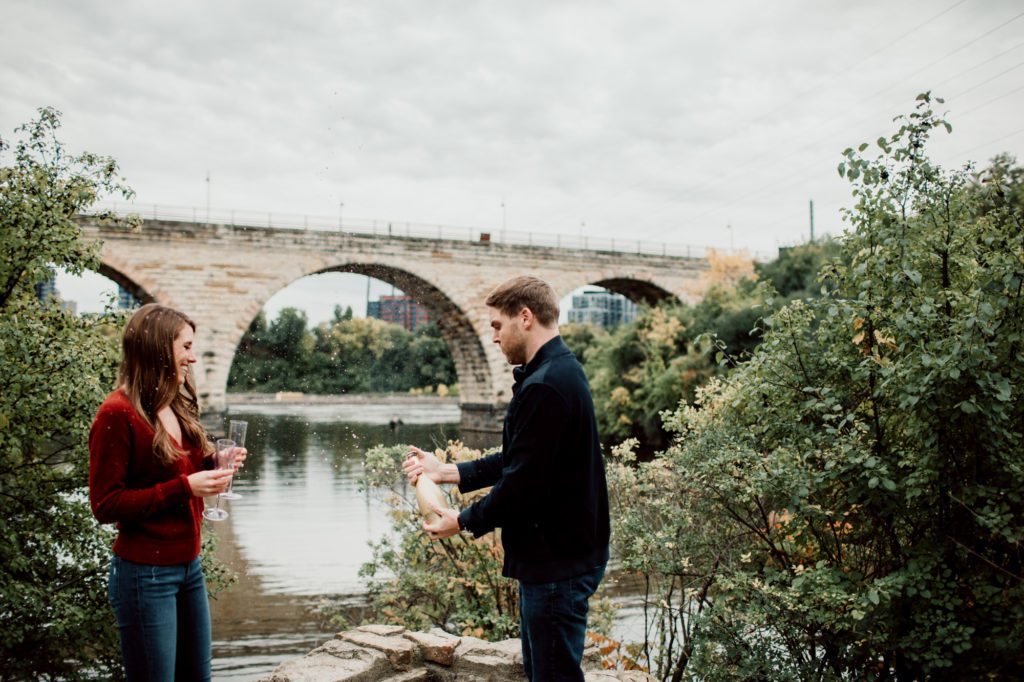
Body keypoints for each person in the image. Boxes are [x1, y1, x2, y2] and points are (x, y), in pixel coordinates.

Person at [404, 275, 610, 681]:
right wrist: (445, 472)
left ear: (526, 317)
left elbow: (524, 486)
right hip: (557, 559)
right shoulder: (554, 373)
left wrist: (462, 521)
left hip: (557, 564)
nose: (494, 337)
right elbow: (522, 459)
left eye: (498, 325)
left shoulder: (547, 385)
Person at [89, 303, 243, 681]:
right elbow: (106, 505)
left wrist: (214, 461)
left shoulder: (172, 403)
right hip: (146, 574)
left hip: (188, 567)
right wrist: (185, 488)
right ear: (159, 349)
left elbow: (180, 467)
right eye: (186, 347)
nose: (192, 357)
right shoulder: (116, 413)